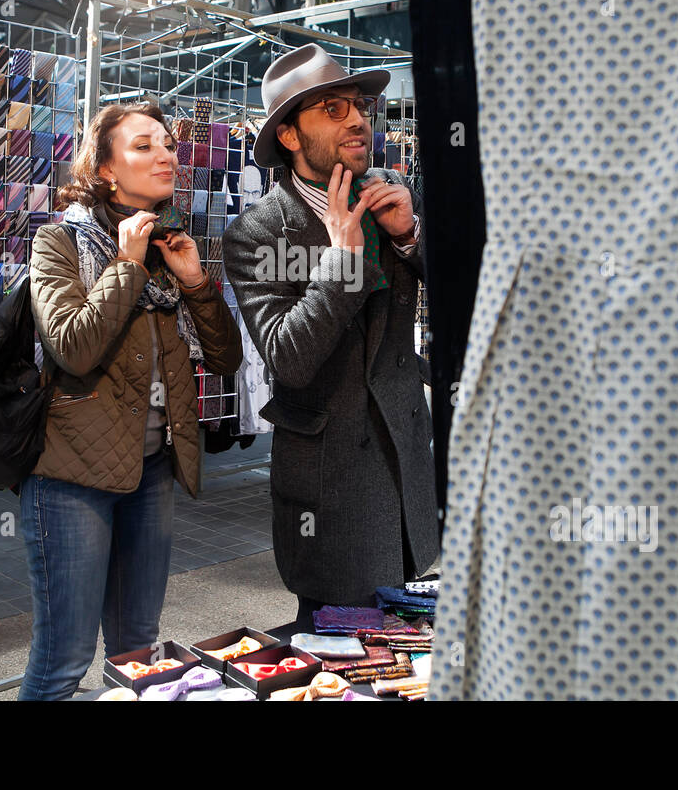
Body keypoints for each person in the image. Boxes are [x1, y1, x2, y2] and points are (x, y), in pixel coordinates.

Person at [22, 101, 242, 700]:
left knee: (138, 655)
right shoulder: (58, 242)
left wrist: (196, 282)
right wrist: (125, 265)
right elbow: (73, 347)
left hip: (152, 472)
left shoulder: (172, 246)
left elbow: (225, 360)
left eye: (168, 144)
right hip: (71, 479)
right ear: (106, 169)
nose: (166, 154)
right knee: (63, 662)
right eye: (144, 146)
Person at [222, 44, 440, 626]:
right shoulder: (258, 232)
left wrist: (410, 238)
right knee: (343, 660)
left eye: (359, 105)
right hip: (331, 489)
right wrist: (343, 262)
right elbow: (290, 359)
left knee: (415, 654)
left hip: (406, 469)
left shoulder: (391, 191)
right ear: (290, 136)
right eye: (333, 109)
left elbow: (468, 300)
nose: (357, 119)